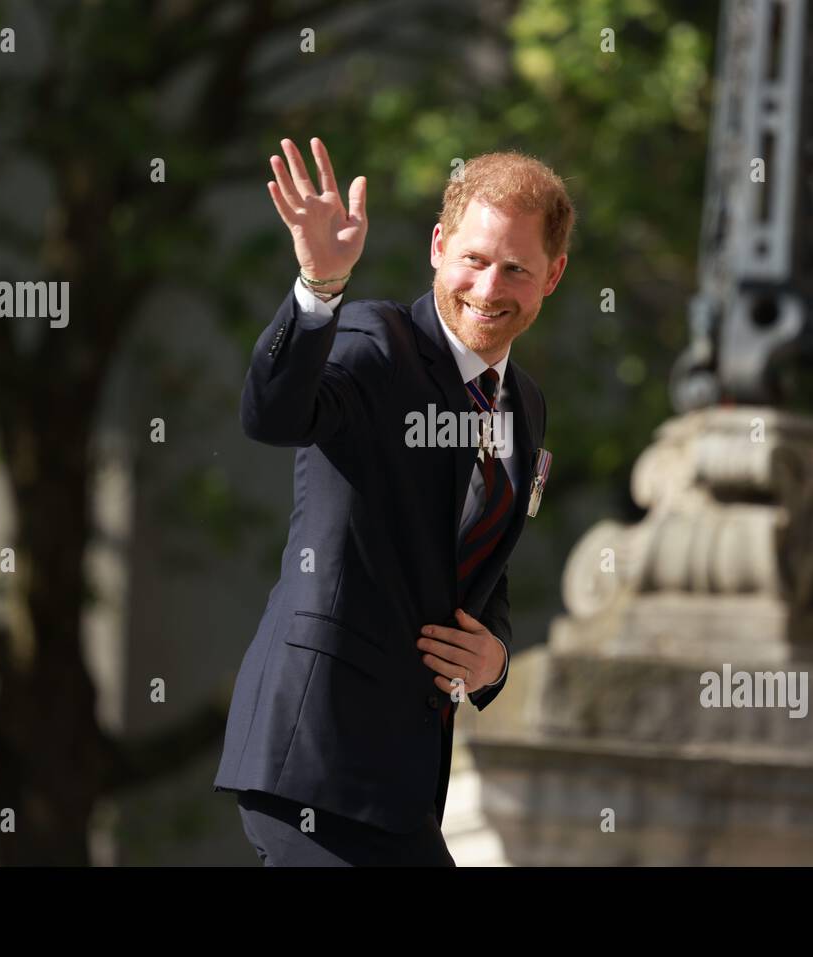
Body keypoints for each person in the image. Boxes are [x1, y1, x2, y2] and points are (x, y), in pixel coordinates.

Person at [213, 137, 573, 865]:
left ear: (553, 275)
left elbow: (477, 562)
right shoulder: (375, 343)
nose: (489, 287)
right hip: (312, 757)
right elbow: (275, 416)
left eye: (515, 268)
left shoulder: (525, 406)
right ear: (439, 246)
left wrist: (494, 659)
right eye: (473, 258)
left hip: (404, 783)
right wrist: (317, 288)